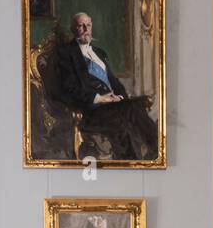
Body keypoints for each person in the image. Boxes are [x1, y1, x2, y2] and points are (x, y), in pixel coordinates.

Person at [56, 12, 159, 160]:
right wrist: (99, 98)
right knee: (131, 111)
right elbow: (68, 87)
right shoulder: (66, 53)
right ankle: (147, 156)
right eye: (81, 25)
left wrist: (119, 97)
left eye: (88, 25)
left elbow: (115, 82)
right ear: (73, 29)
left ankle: (153, 153)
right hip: (91, 110)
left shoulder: (99, 52)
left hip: (113, 106)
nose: (85, 29)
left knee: (136, 104)